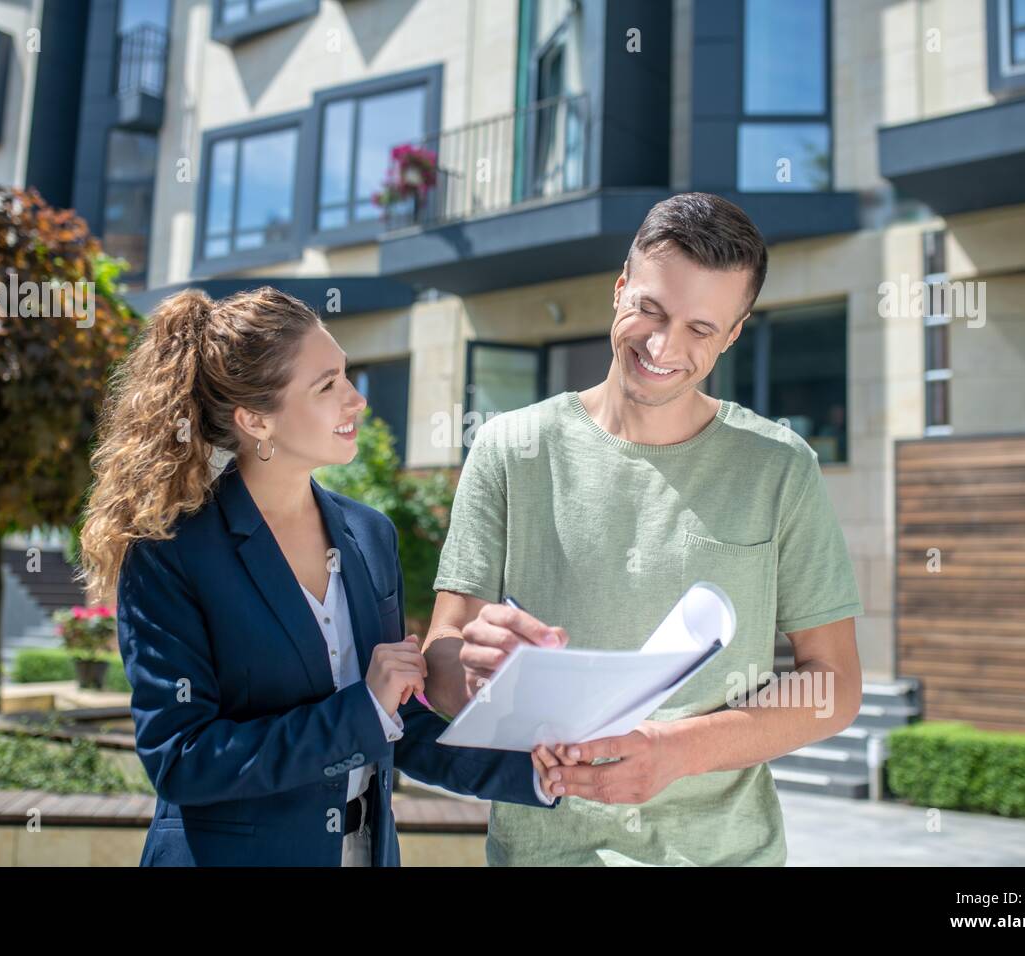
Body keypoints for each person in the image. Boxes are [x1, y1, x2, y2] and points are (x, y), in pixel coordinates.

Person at [422, 192, 864, 866]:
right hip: (544, 853)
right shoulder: (511, 449)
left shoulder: (779, 467)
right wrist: (475, 670)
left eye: (700, 329)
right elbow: (442, 659)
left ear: (736, 332)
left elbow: (832, 685)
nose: (663, 347)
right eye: (650, 311)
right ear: (619, 288)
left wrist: (676, 752)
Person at [78, 286, 558, 866]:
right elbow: (182, 759)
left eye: (346, 376)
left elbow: (395, 720)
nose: (355, 400)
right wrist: (364, 708)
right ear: (256, 419)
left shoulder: (370, 535)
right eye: (326, 386)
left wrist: (537, 769)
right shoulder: (170, 553)